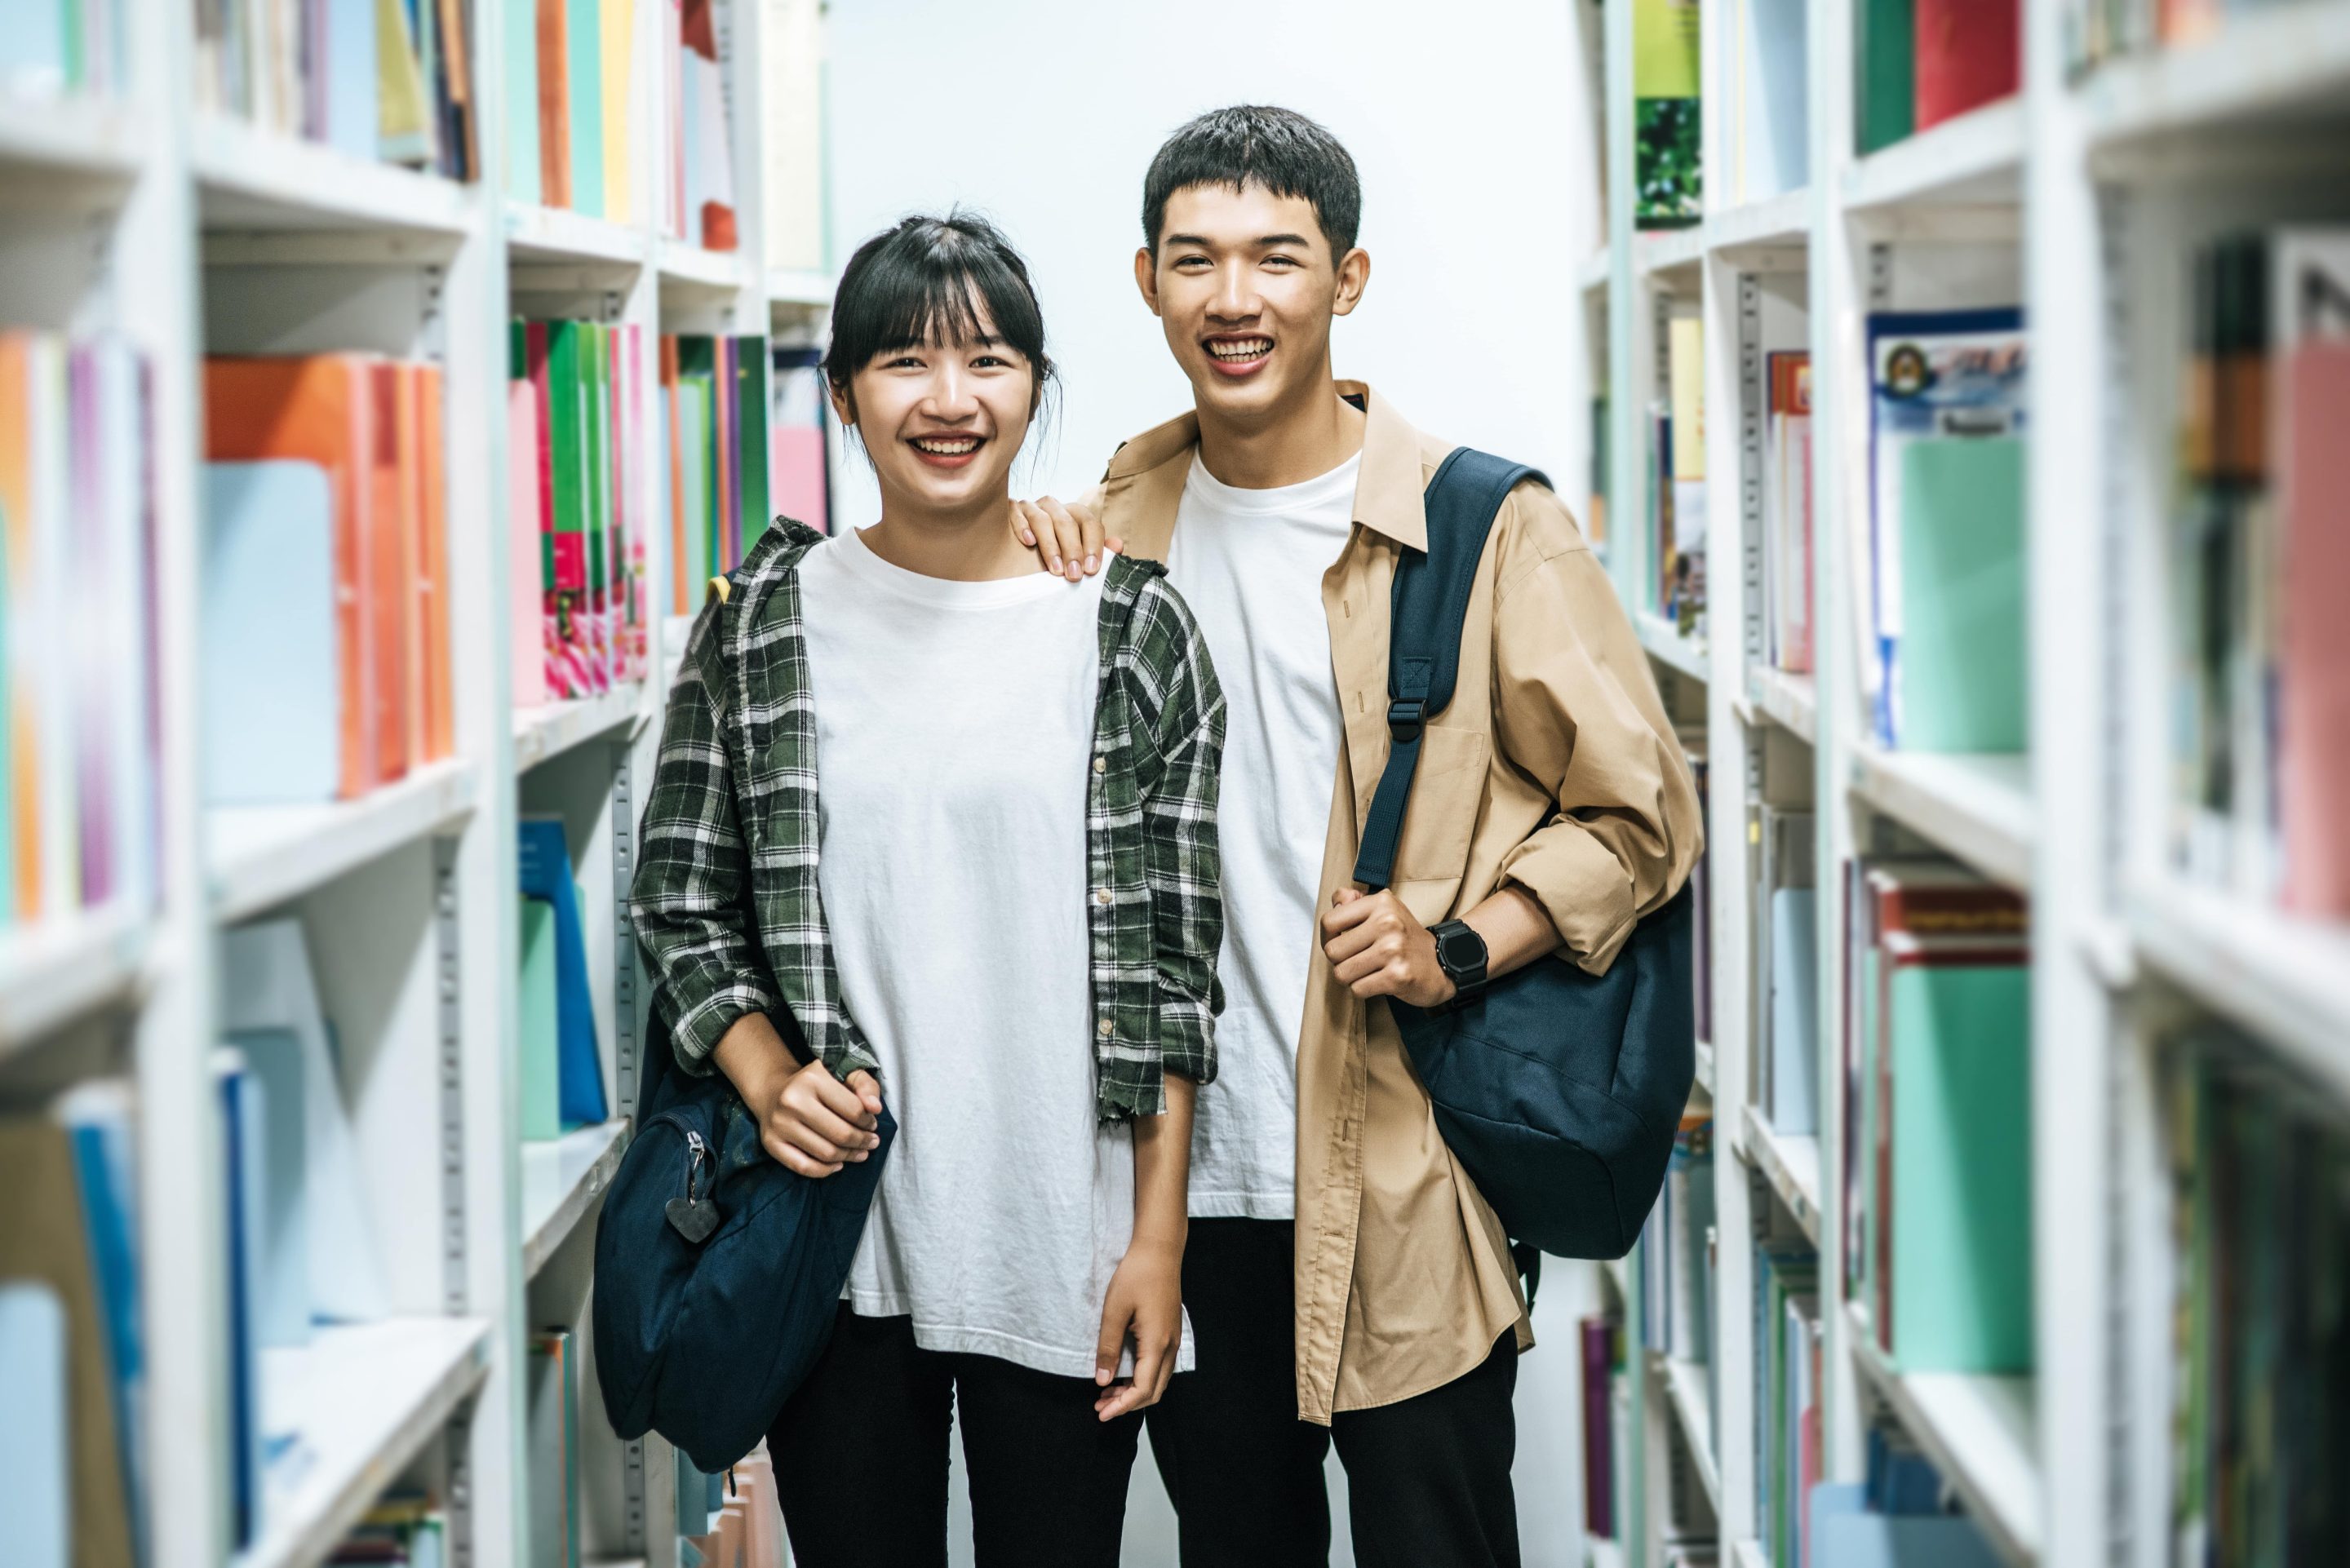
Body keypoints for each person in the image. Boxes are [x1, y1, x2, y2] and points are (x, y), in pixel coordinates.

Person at [1016, 106, 1705, 1568]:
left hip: (1406, 1174)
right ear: (1146, 281)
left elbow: (1642, 815)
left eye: (1278, 257)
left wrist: (1461, 944)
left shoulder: (1489, 525)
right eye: (1194, 261)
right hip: (1185, 1186)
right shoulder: (1101, 530)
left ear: (1350, 276)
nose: (1234, 298)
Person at [629, 211, 1228, 1568]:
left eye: (990, 360)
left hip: (1062, 1242)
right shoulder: (764, 621)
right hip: (833, 1245)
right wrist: (770, 1072)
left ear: (1037, 385)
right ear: (841, 393)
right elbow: (679, 894)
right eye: (905, 361)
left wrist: (1158, 1239)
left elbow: (1180, 973)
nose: (950, 401)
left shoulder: (1130, 626)